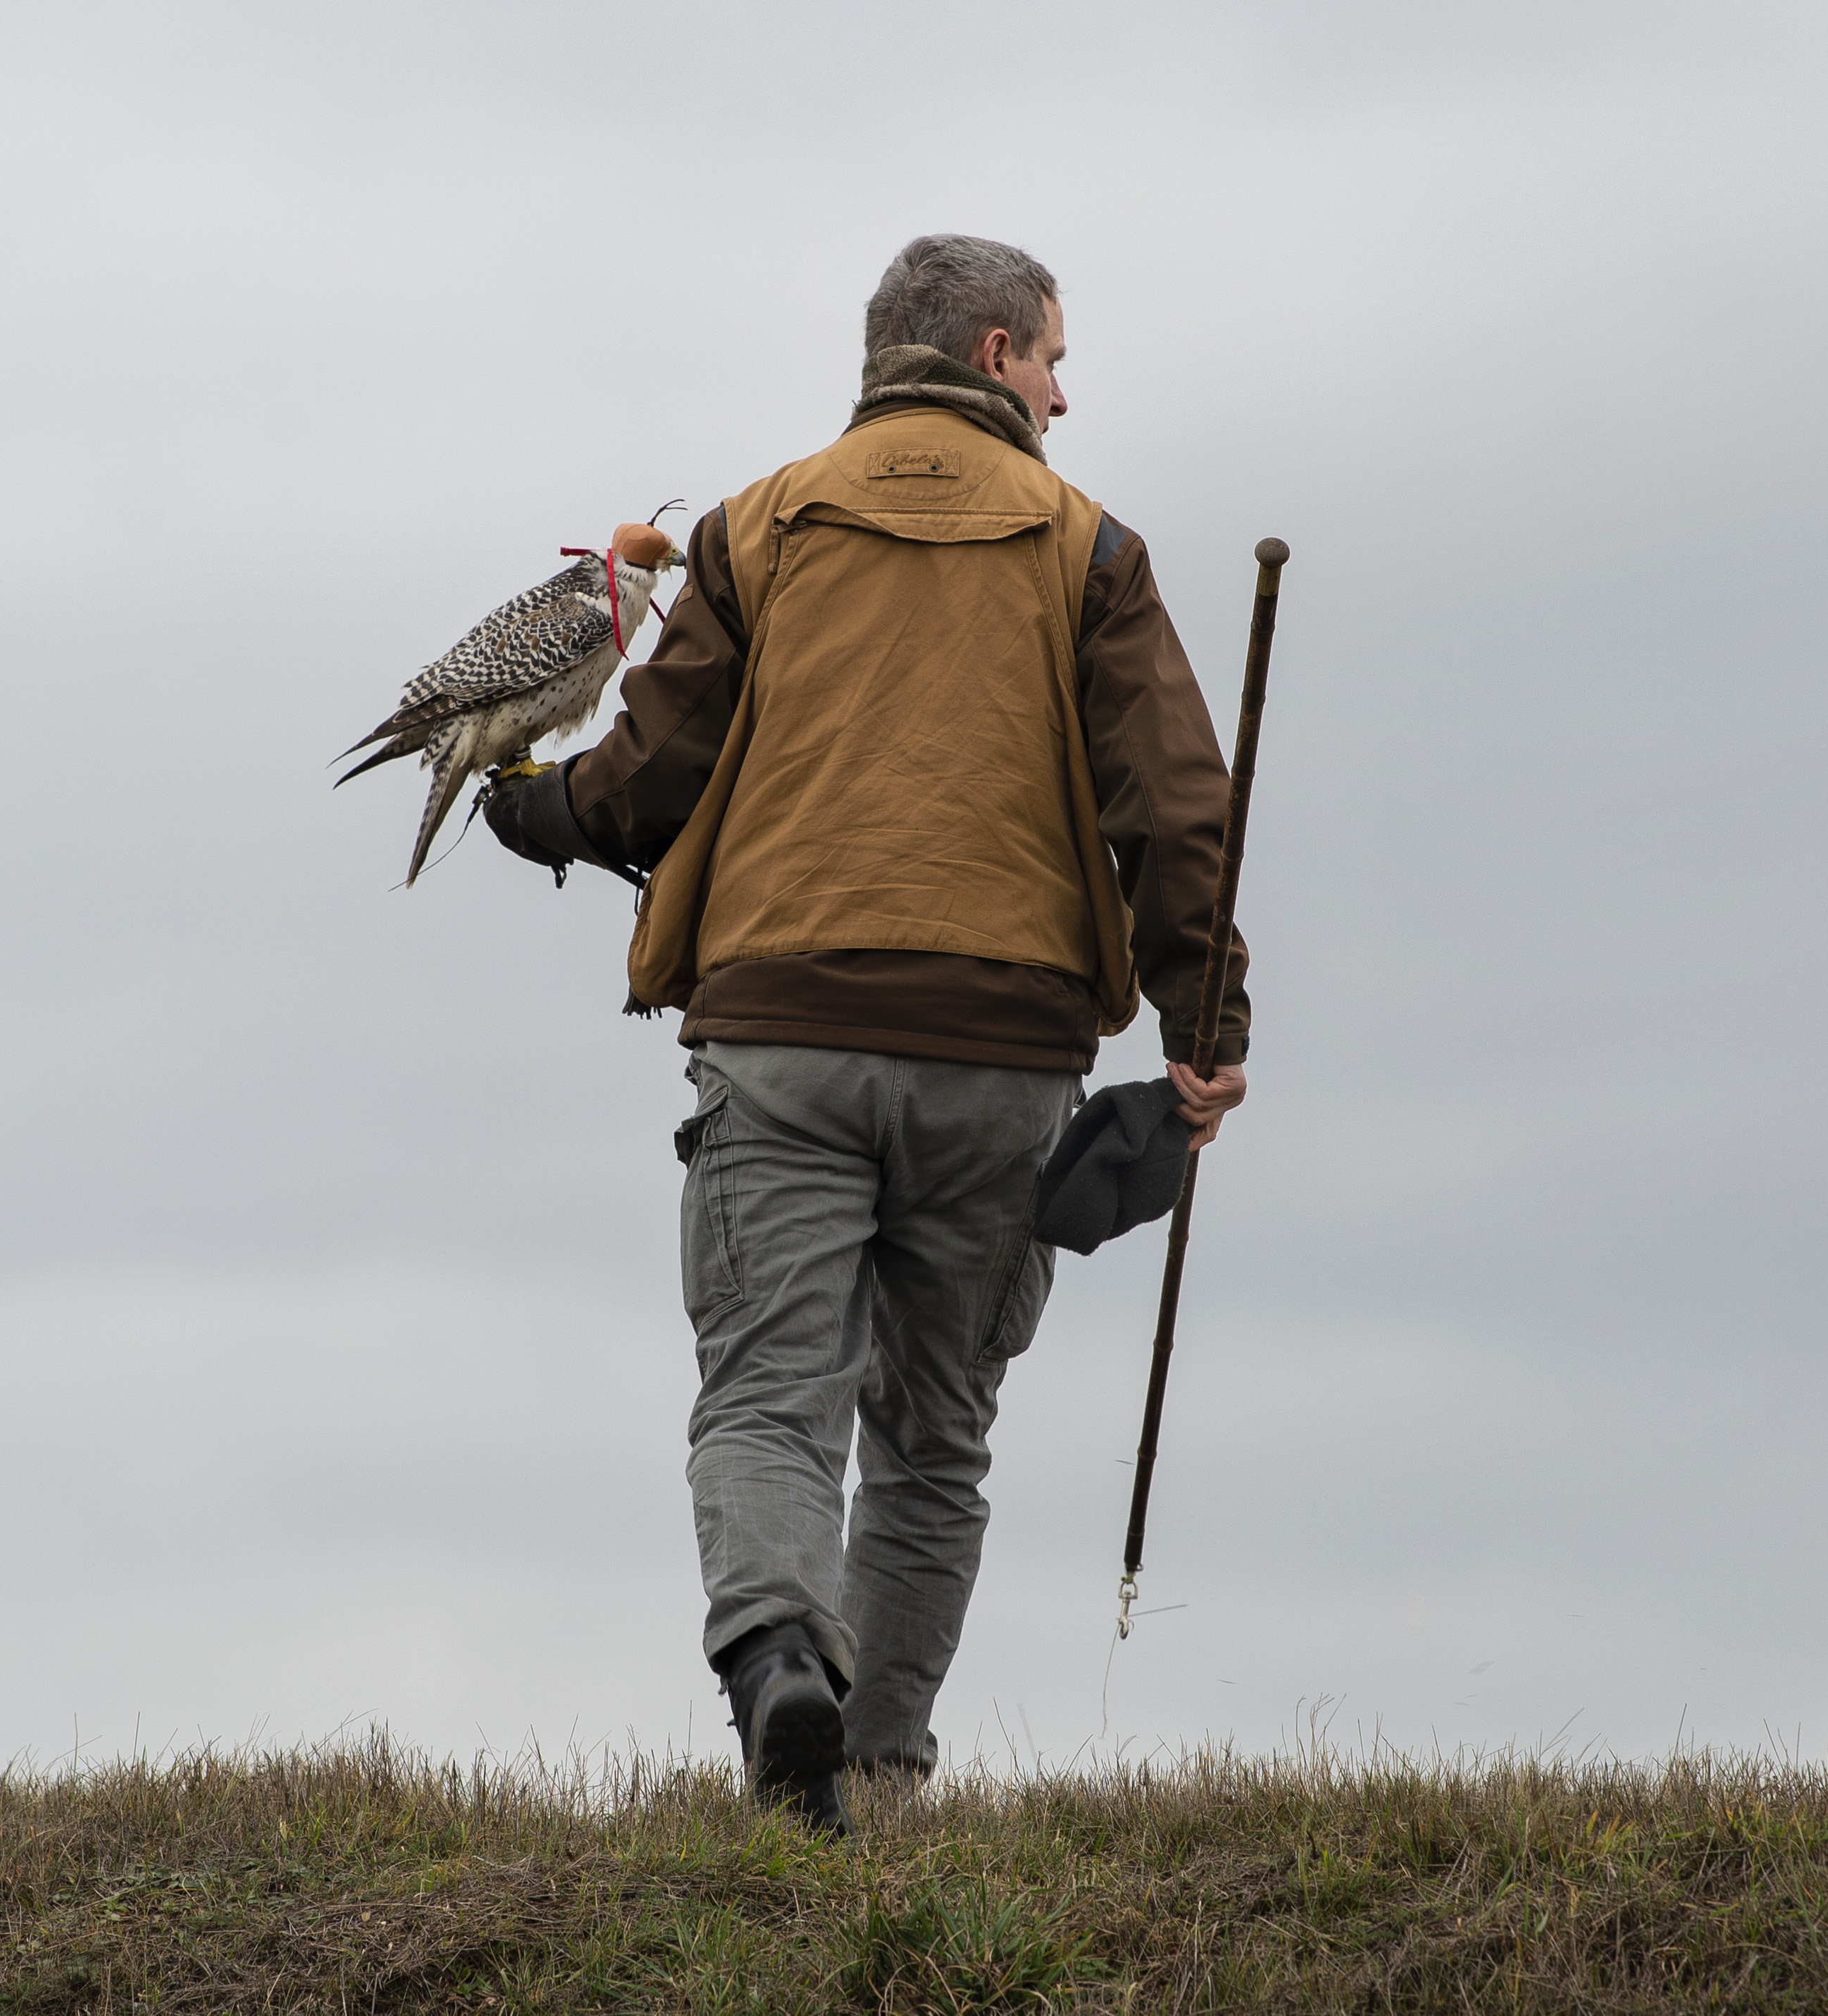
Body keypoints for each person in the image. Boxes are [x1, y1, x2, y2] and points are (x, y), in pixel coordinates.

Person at [484, 233, 1251, 1832]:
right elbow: (1177, 812)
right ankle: (884, 1781)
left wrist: (546, 814)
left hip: (783, 1035)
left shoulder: (755, 527)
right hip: (1005, 1055)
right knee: (935, 1434)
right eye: (1052, 356)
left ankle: (780, 1674)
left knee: (770, 1396)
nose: (1064, 386)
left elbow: (653, 765)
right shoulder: (1091, 547)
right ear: (989, 360)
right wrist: (1206, 1025)